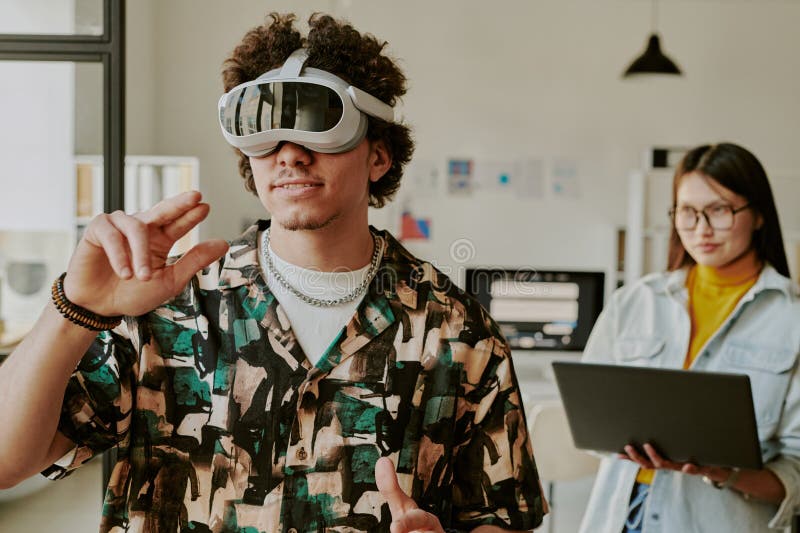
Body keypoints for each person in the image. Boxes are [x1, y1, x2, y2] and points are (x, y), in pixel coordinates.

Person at [0, 13, 546, 533]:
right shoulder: (165, 307)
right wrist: (76, 309)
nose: (289, 155)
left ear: (378, 157)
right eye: (267, 136)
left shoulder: (459, 333)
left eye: (316, 129)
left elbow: (502, 517)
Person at [579, 142, 800, 533]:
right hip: (620, 517)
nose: (701, 229)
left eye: (719, 210)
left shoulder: (791, 319)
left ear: (759, 215)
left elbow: (794, 473)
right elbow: (589, 420)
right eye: (687, 211)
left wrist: (724, 472)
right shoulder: (635, 301)